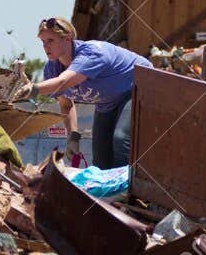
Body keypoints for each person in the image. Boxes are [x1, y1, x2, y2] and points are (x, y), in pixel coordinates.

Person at [29, 17, 152, 169]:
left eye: (50, 40)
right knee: (100, 158)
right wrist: (73, 137)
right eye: (43, 42)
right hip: (107, 101)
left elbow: (63, 82)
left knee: (121, 139)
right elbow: (66, 104)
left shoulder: (91, 53)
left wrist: (31, 89)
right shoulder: (52, 69)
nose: (45, 46)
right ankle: (106, 185)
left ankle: (126, 183)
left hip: (139, 85)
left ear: (67, 38)